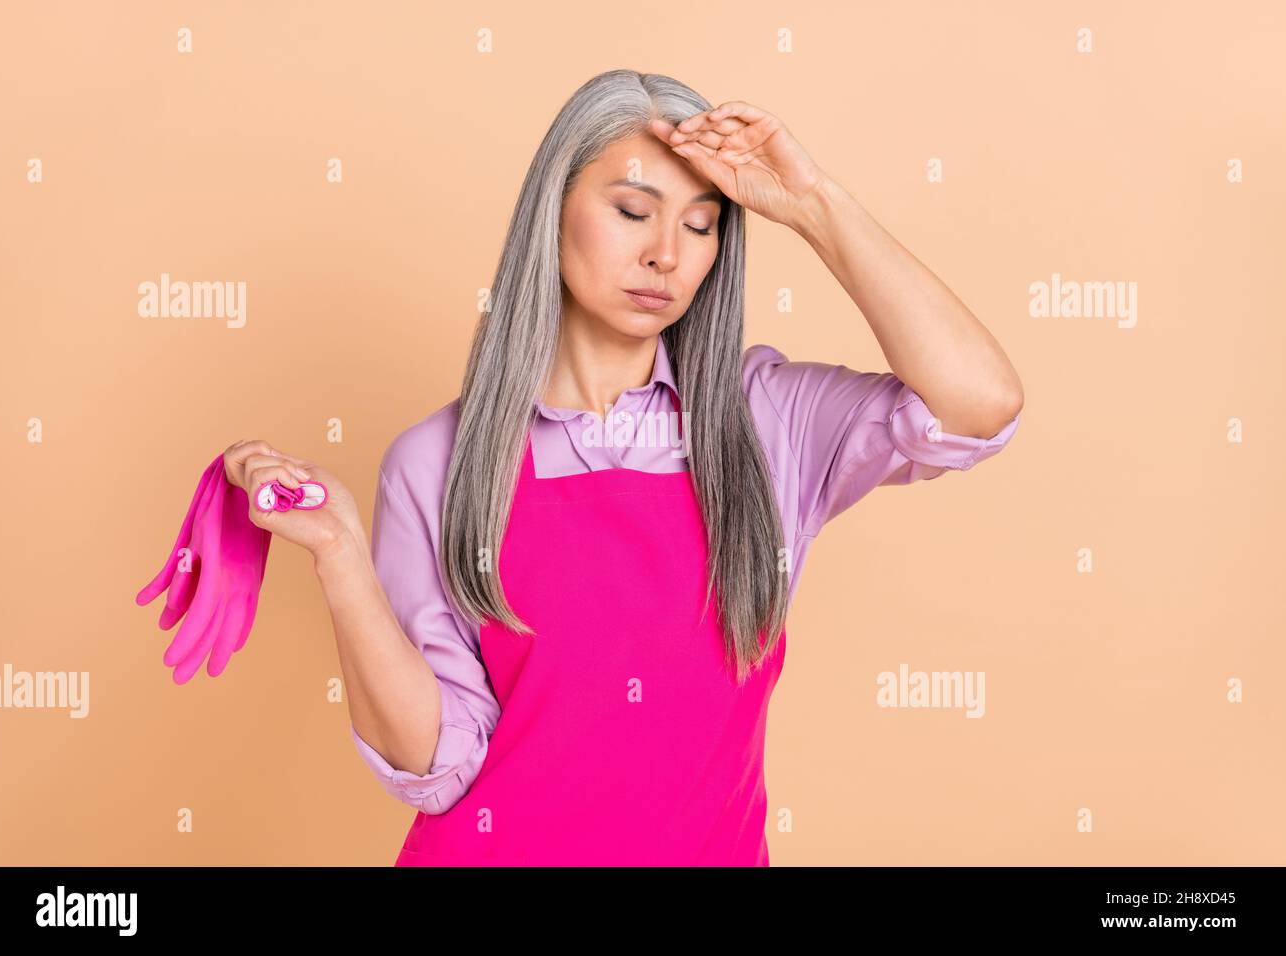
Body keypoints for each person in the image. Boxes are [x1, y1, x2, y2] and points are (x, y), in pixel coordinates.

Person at [222, 69, 1023, 866]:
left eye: (703, 225)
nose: (666, 254)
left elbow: (978, 404)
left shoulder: (760, 423)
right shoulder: (437, 461)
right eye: (633, 211)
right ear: (554, 211)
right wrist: (340, 559)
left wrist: (813, 205)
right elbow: (439, 765)